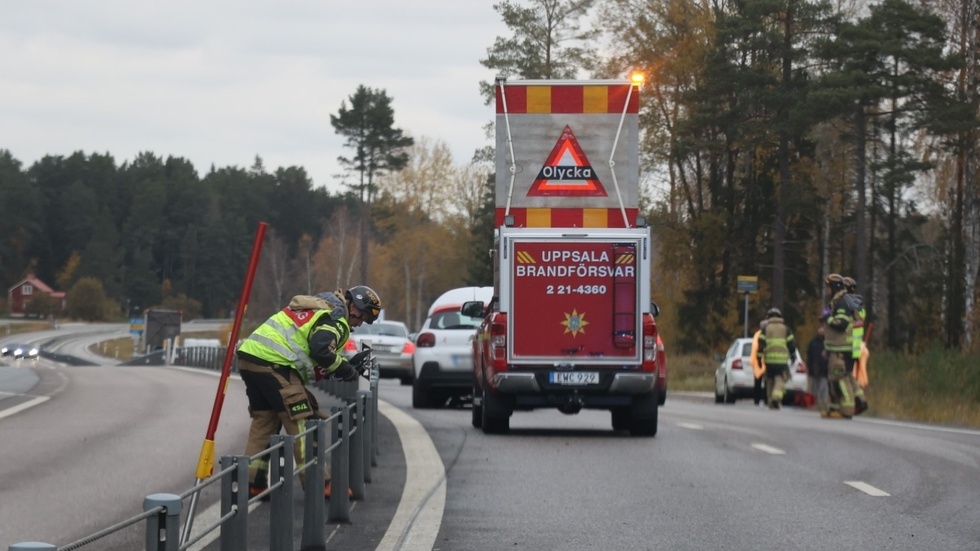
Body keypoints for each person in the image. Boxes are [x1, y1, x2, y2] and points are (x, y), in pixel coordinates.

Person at [236, 285, 382, 499]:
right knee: (304, 422)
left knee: (265, 421)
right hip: (274, 363)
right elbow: (321, 350)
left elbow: (314, 359)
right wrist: (349, 371)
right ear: (353, 305)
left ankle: (252, 483)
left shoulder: (320, 308)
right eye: (363, 316)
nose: (360, 322)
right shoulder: (337, 319)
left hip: (251, 358)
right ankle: (319, 484)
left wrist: (343, 365)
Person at [822, 274, 856, 418]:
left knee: (840, 379)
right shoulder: (835, 303)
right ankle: (834, 408)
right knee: (834, 380)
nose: (827, 290)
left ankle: (847, 410)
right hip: (835, 348)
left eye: (828, 287)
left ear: (834, 287)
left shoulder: (841, 303)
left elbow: (841, 324)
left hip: (841, 349)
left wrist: (828, 318)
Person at [758, 307, 797, 409]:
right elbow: (791, 344)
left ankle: (771, 401)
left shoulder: (765, 329)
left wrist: (759, 359)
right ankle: (776, 398)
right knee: (779, 380)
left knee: (770, 380)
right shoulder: (785, 329)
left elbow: (760, 345)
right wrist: (793, 355)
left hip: (769, 361)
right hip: (781, 361)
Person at [842, 276, 869, 414]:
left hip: (846, 345)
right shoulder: (861, 307)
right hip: (856, 347)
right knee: (848, 374)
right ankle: (859, 398)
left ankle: (853, 401)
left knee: (843, 375)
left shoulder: (846, 305)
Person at [806, 324, 830, 416]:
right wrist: (809, 366)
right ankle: (813, 405)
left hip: (825, 370)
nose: (821, 330)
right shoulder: (813, 342)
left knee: (823, 389)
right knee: (814, 389)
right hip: (814, 369)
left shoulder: (828, 342)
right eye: (820, 328)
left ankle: (823, 405)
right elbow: (809, 355)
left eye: (823, 329)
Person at [750, 319, 768, 407]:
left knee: (757, 382)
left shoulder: (757, 334)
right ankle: (766, 399)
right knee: (766, 382)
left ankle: (756, 400)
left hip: (757, 361)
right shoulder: (766, 335)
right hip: (764, 360)